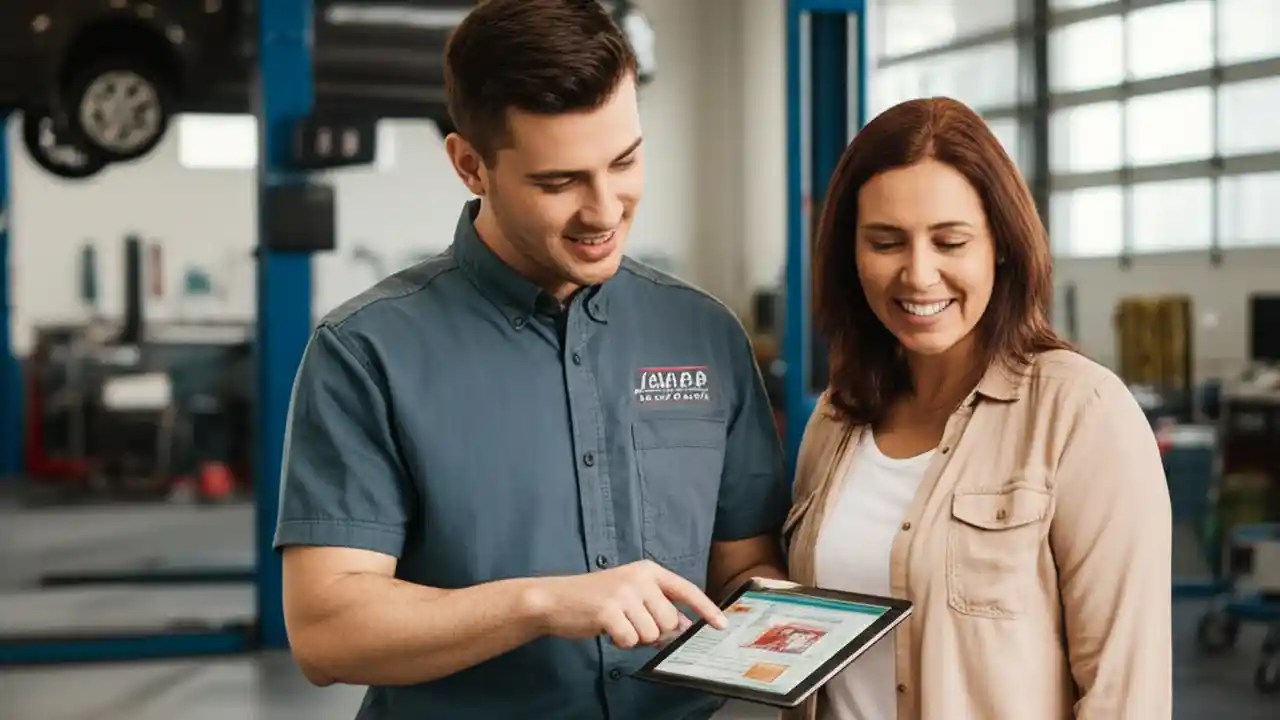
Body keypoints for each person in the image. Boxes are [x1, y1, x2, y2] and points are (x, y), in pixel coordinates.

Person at [272, 1, 790, 719]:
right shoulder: (366, 353)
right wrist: (543, 603)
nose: (605, 209)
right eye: (559, 183)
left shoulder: (703, 334)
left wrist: (788, 615)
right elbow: (328, 634)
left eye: (626, 161)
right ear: (469, 165)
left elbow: (742, 566)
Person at [782, 97, 1172, 720]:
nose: (918, 274)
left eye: (950, 241)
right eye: (886, 242)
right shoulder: (837, 417)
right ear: (850, 255)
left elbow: (1126, 692)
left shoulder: (1082, 414)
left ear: (1001, 245)